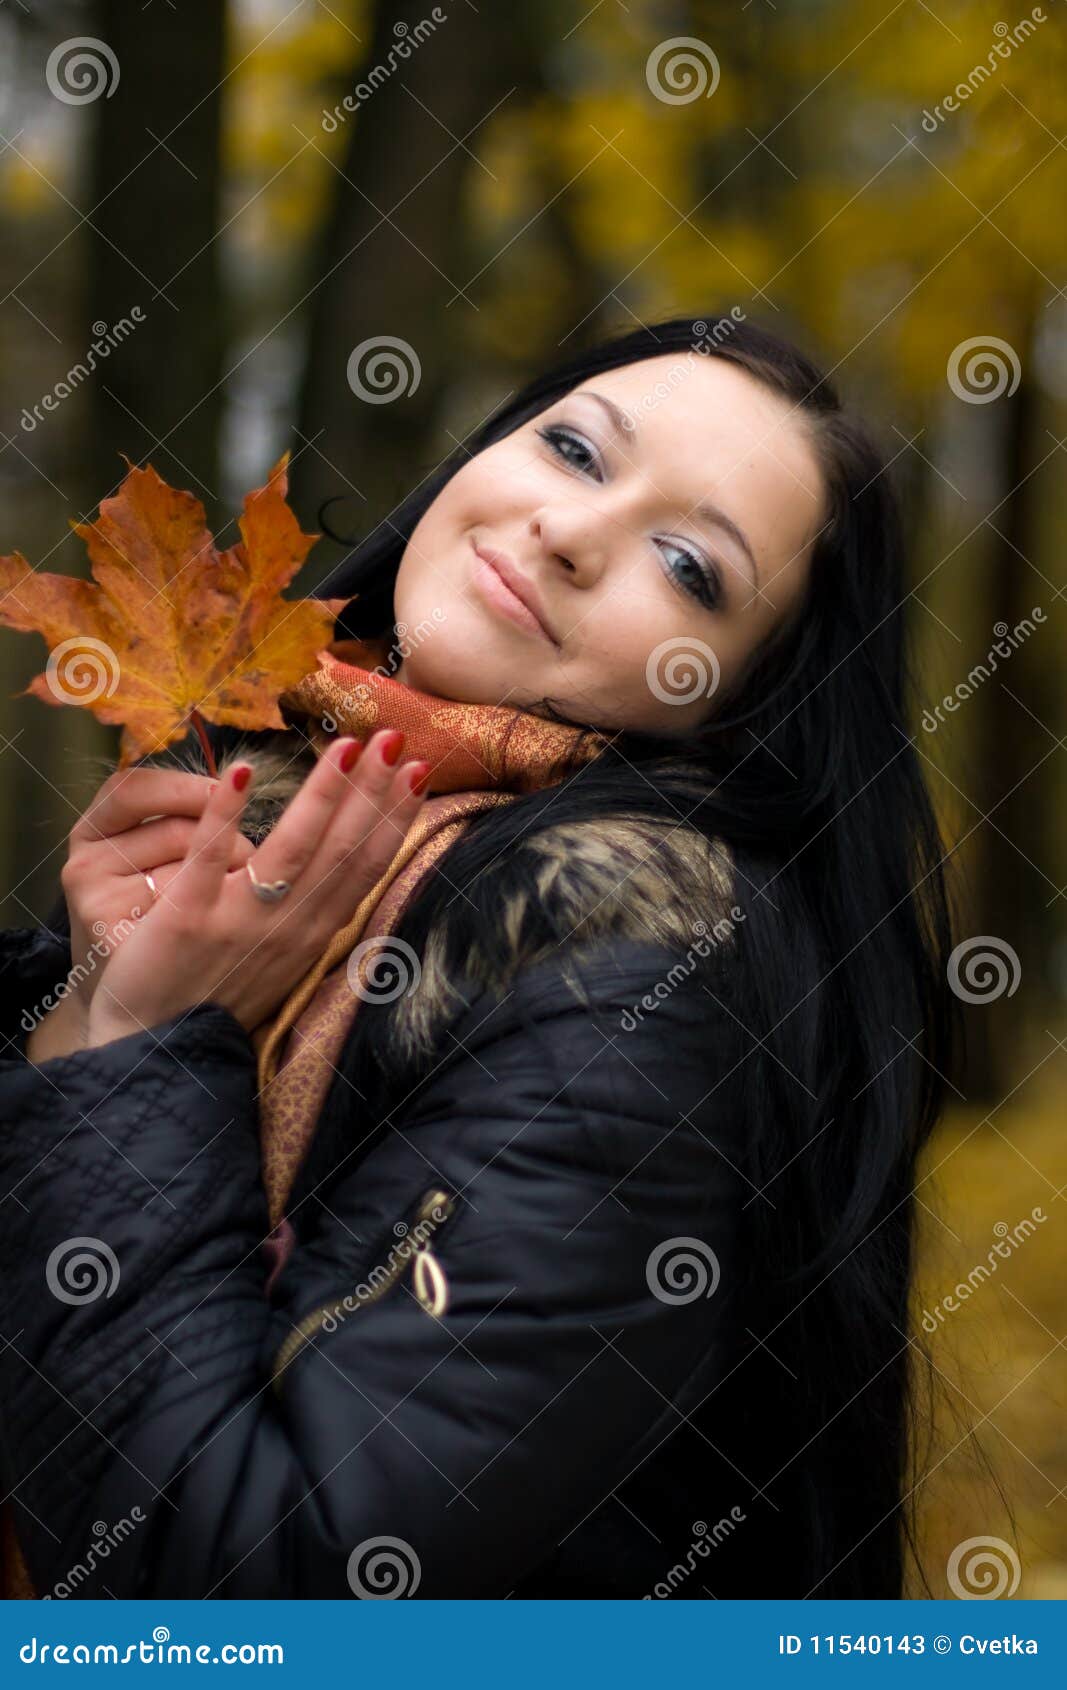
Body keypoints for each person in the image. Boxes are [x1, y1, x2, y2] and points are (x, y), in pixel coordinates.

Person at [0, 314, 953, 1600]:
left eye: (685, 565)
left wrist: (144, 1055)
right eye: (571, 448)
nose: (569, 530)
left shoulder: (635, 972)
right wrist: (79, 1010)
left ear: (732, 701)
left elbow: (277, 1590)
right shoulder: (279, 792)